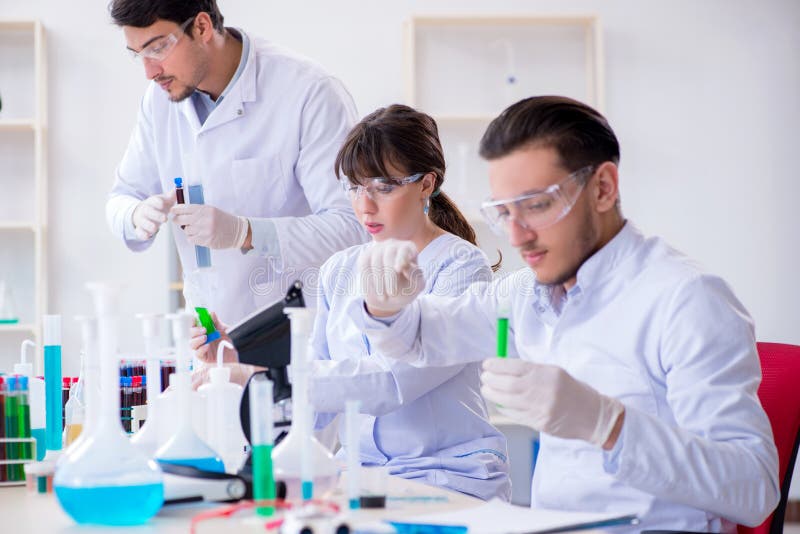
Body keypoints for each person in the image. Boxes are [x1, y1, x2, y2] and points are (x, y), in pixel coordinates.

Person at [356, 96, 779, 531]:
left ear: (603, 188)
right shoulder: (529, 293)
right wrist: (385, 305)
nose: (517, 236)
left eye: (536, 205)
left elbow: (754, 490)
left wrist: (607, 424)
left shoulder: (686, 300)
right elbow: (423, 335)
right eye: (504, 212)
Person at [191, 105, 511, 501]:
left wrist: (263, 374)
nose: (365, 205)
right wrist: (238, 359)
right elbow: (317, 407)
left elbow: (394, 380)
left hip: (447, 476)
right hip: (359, 476)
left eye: (383, 187)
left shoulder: (460, 266)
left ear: (426, 184)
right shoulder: (340, 270)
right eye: (355, 187)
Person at [105, 0, 366, 324]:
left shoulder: (308, 91)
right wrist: (135, 214)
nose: (150, 71)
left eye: (157, 48)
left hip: (299, 332)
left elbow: (351, 227)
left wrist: (247, 232)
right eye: (138, 54)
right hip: (208, 331)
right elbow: (120, 198)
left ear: (202, 27)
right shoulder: (159, 100)